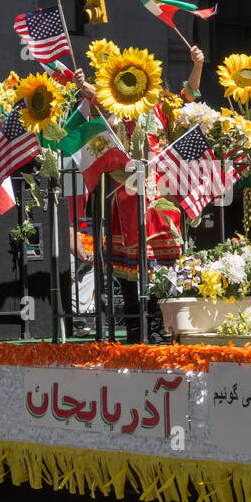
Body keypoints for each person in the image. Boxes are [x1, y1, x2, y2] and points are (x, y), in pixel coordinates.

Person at [74, 44, 206, 342]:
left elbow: (190, 97)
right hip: (126, 196)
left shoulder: (163, 105)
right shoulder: (120, 106)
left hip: (161, 199)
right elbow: (98, 100)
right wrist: (83, 84)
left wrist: (197, 65)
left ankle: (161, 326)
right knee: (127, 267)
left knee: (165, 266)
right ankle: (135, 326)